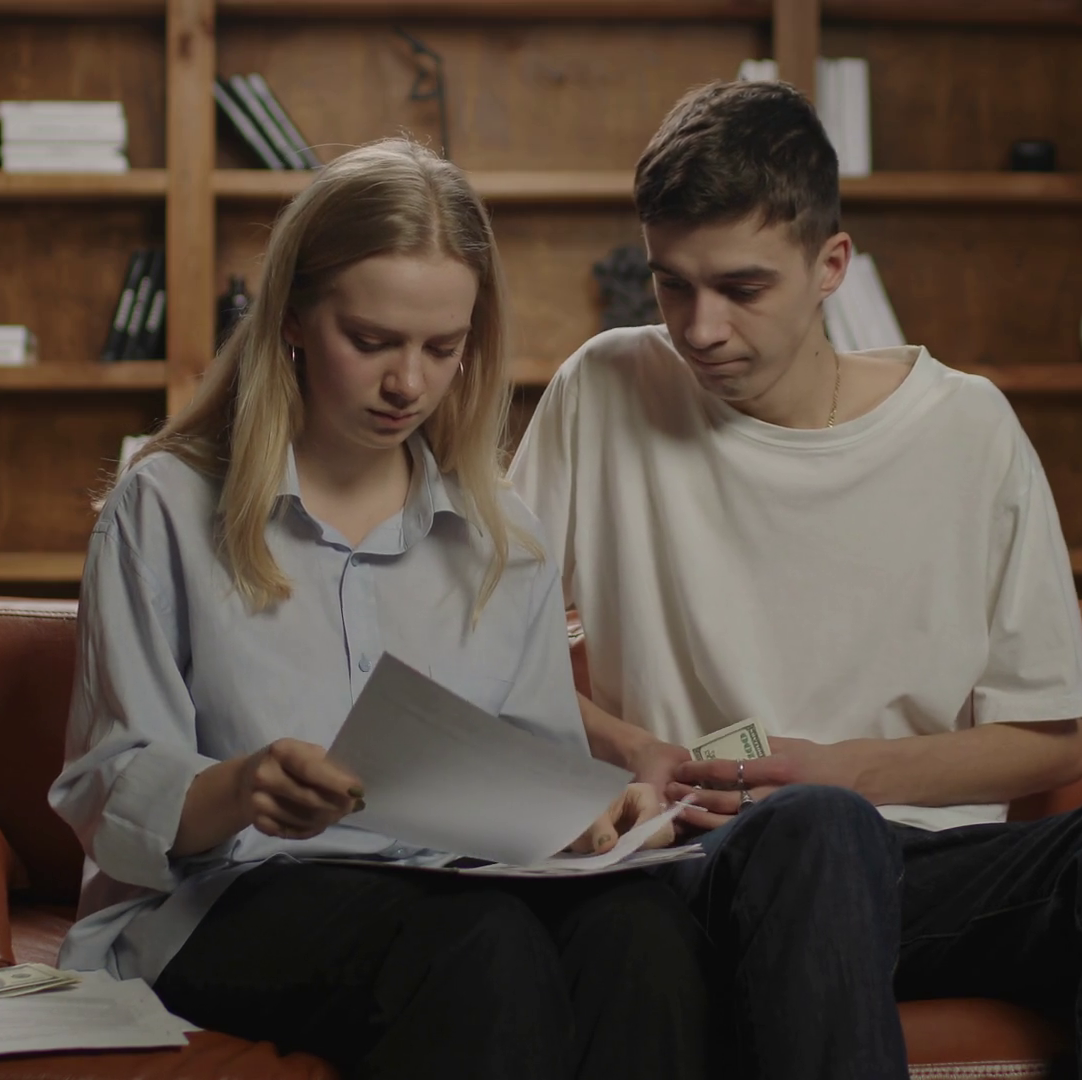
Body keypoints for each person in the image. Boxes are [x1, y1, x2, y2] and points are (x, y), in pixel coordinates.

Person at [509, 81, 1082, 1080]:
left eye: (740, 287)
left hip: (926, 870)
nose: (698, 326)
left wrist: (846, 770)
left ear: (831, 266)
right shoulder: (604, 387)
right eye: (671, 284)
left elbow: (1061, 736)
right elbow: (486, 648)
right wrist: (635, 747)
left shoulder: (967, 426)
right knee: (816, 829)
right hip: (712, 864)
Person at [50, 137, 712, 1080]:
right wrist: (241, 788)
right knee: (476, 943)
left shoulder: (504, 539)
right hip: (225, 901)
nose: (409, 383)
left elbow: (538, 784)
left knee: (642, 929)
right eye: (372, 343)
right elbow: (111, 791)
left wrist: (597, 816)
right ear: (290, 319)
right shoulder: (163, 505)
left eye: (444, 348)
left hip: (452, 892)